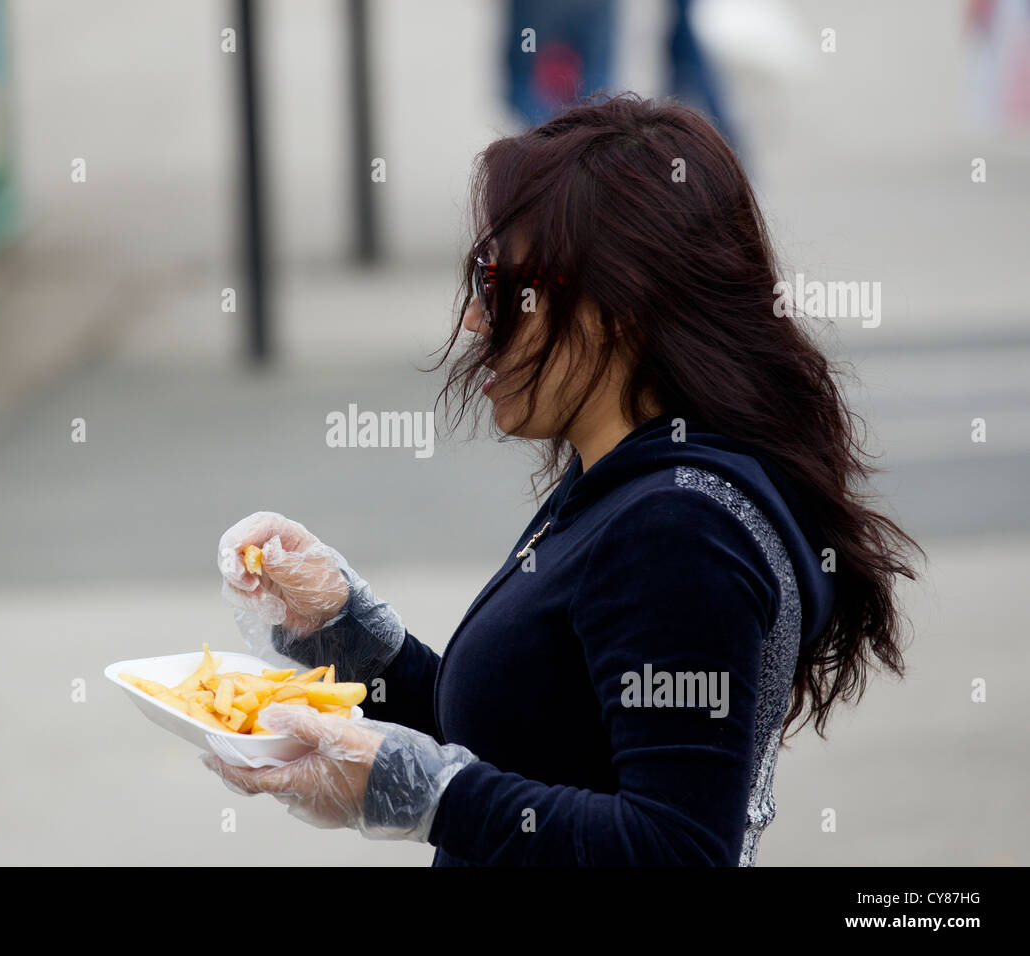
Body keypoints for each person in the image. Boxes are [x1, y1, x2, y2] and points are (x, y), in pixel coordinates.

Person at [204, 93, 923, 866]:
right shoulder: (637, 477)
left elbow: (674, 849)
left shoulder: (680, 530)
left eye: (499, 284)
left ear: (616, 308)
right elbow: (527, 738)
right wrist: (342, 631)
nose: (478, 321)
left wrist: (423, 795)